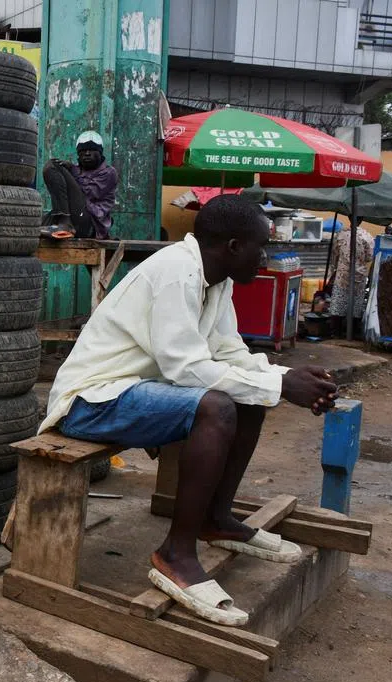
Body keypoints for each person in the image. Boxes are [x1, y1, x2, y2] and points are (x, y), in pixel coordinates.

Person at [40, 195, 337, 627]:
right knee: (217, 406)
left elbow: (228, 352)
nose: (265, 255)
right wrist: (279, 382)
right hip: (89, 403)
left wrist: (286, 376)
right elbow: (186, 368)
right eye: (261, 245)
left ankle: (216, 520)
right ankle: (175, 554)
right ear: (234, 246)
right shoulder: (178, 273)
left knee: (249, 397)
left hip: (137, 391)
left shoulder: (216, 280)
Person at [41, 130, 118, 239]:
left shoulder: (109, 173)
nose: (87, 153)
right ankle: (63, 224)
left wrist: (71, 171)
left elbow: (88, 193)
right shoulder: (77, 170)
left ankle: (65, 224)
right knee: (32, 226)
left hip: (89, 224)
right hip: (75, 218)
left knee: (52, 166)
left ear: (100, 153)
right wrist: (70, 171)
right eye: (83, 150)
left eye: (92, 150)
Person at [328, 221, 374, 336]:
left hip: (342, 274)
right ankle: (353, 332)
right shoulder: (367, 236)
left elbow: (334, 254)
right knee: (356, 305)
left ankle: (336, 332)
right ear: (362, 219)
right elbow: (369, 257)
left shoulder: (340, 235)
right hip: (359, 276)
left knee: (338, 304)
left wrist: (335, 267)